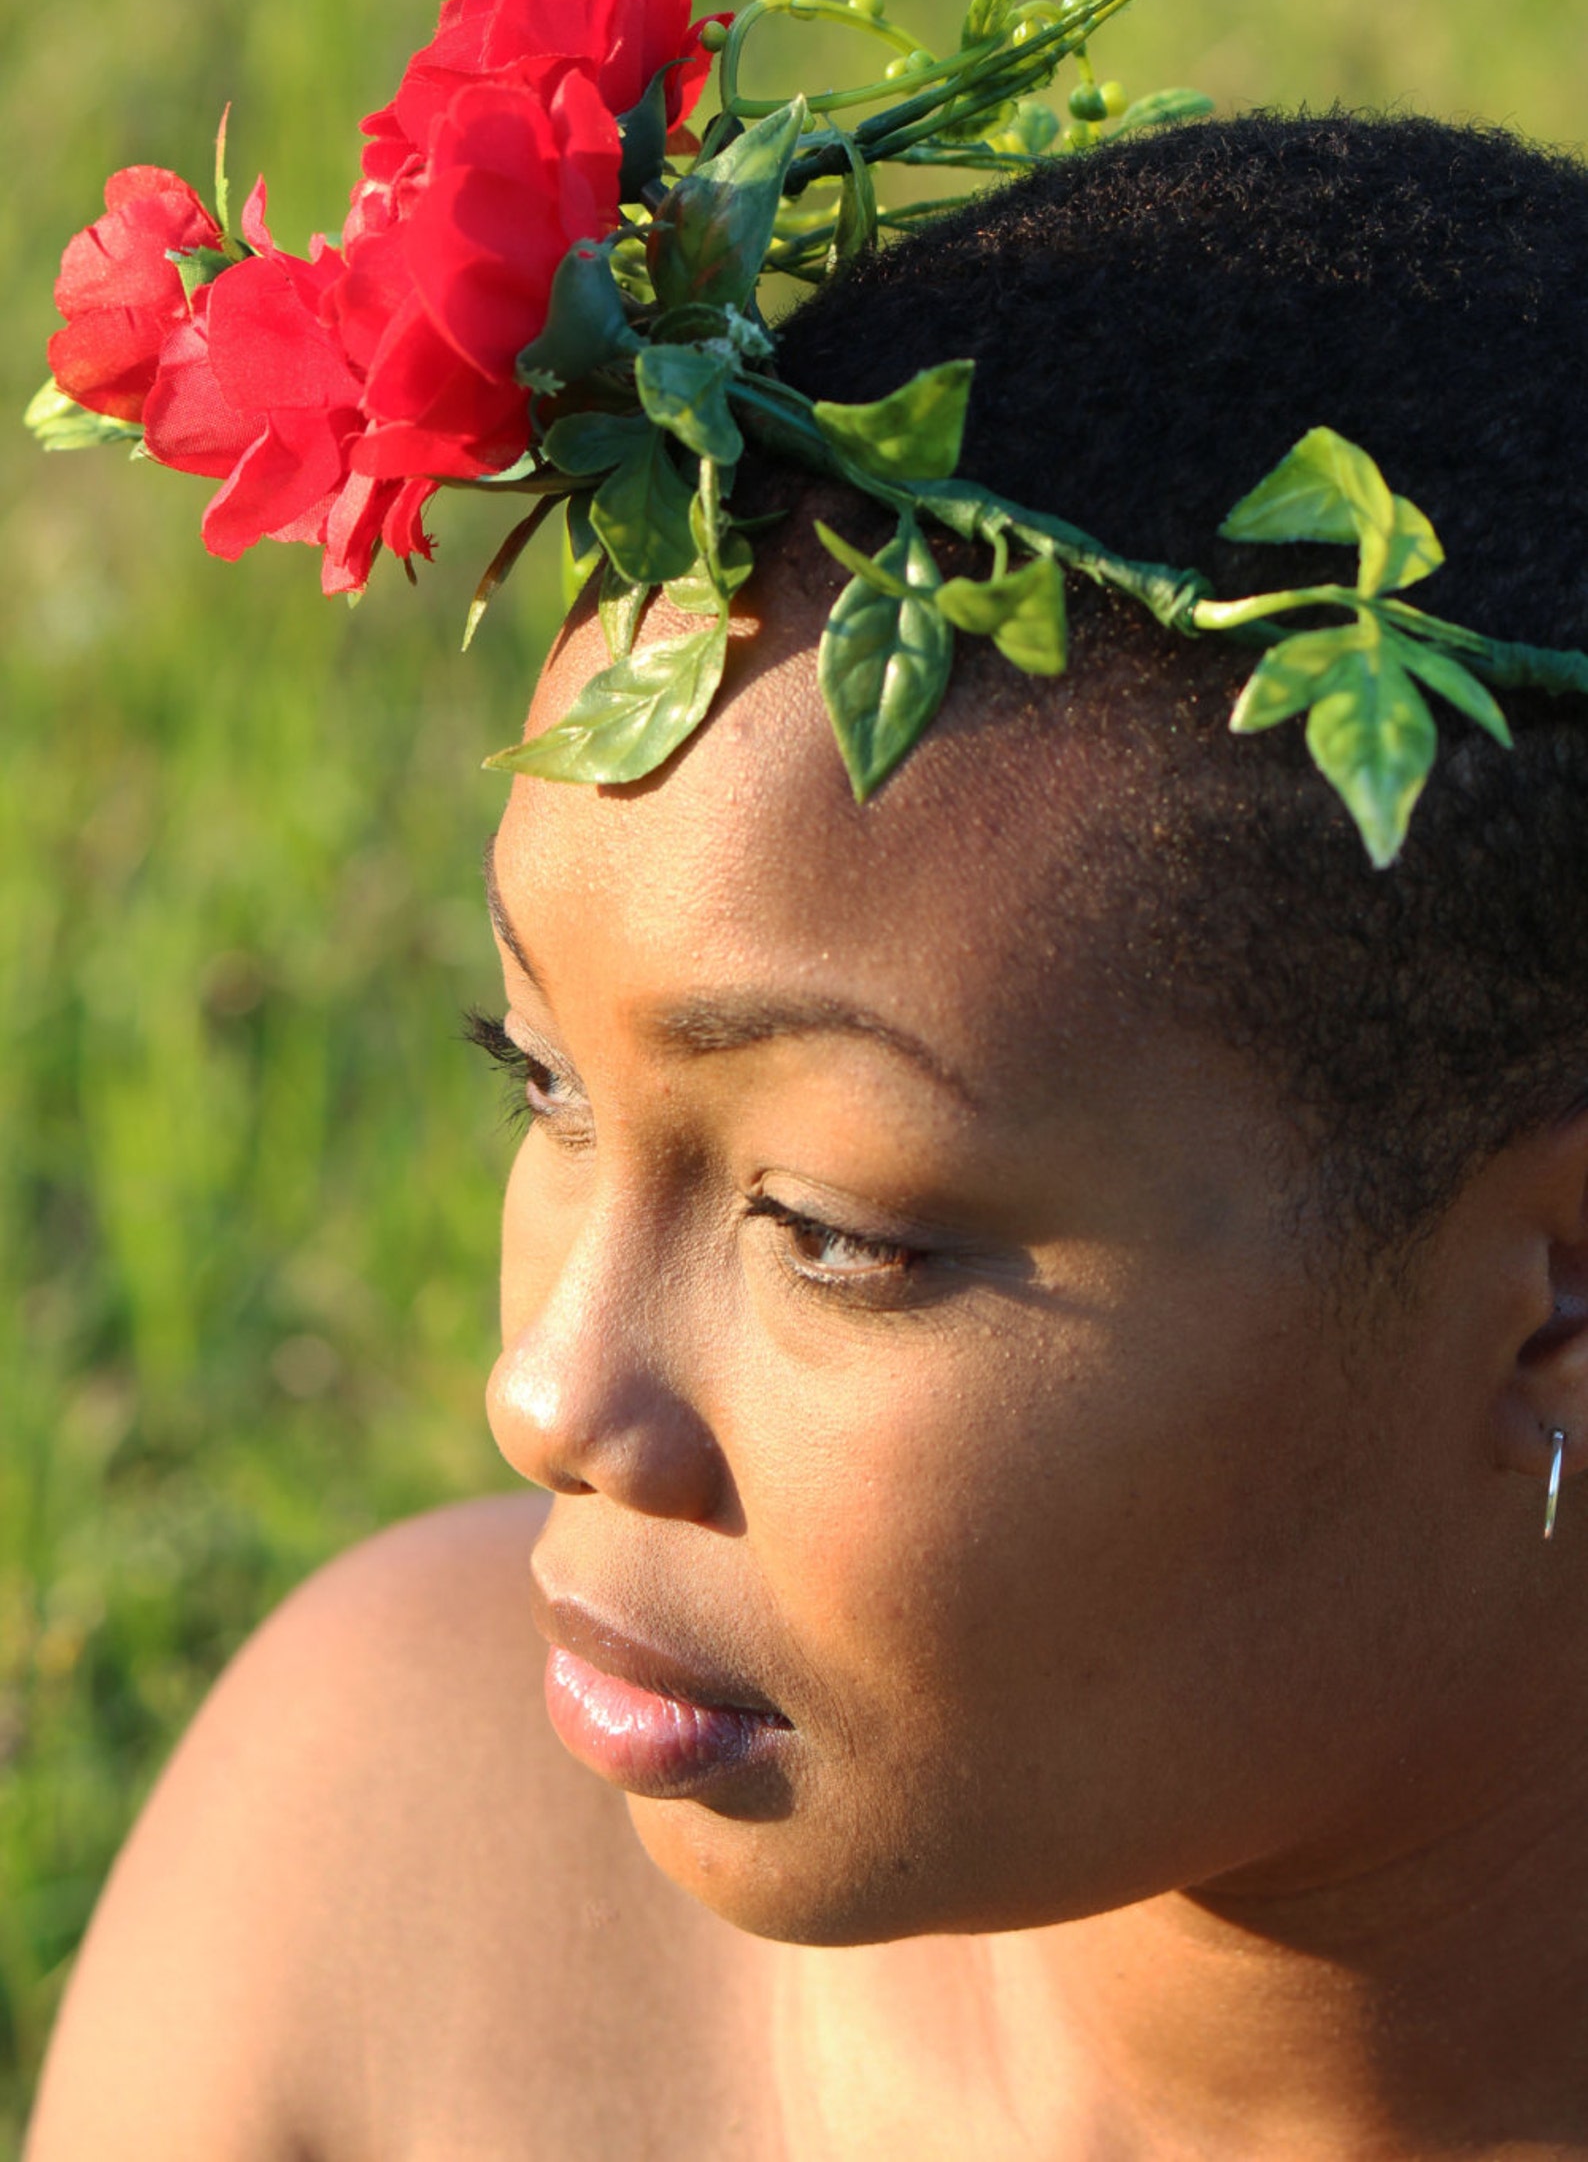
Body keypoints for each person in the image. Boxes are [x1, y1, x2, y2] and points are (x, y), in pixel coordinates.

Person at [25, 108, 1588, 2160]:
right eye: (546, 1083)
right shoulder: (394, 1872)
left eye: (837, 1232)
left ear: (1549, 1295)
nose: (549, 1395)